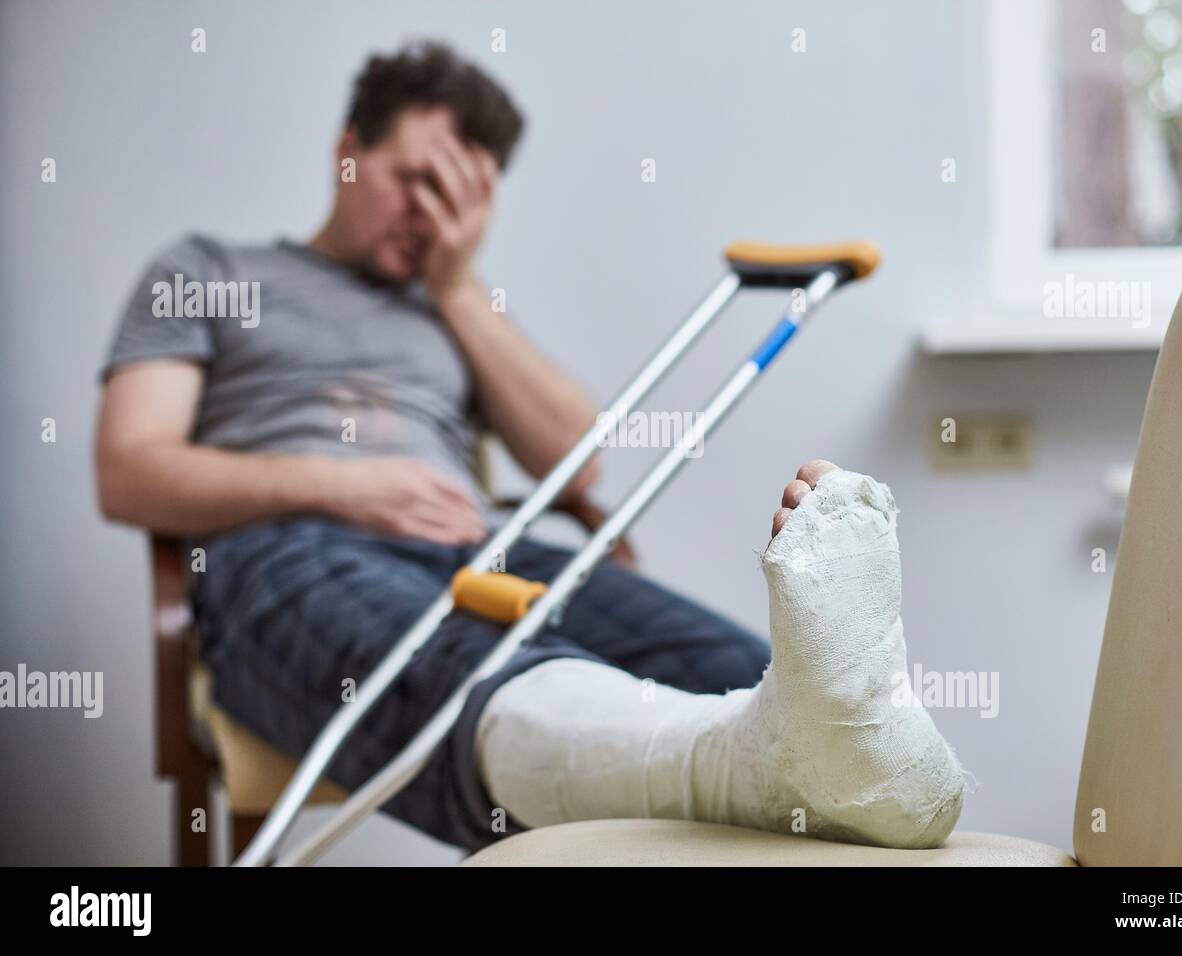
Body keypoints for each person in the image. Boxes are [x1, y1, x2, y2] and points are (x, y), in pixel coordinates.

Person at [96, 41, 965, 854]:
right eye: (412, 181)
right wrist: (344, 487)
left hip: (486, 551)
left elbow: (578, 462)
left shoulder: (449, 304)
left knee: (738, 674)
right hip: (293, 554)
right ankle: (721, 763)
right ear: (347, 151)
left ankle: (820, 746)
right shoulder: (207, 269)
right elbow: (128, 469)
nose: (430, 216)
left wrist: (457, 284)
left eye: (459, 201)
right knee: (467, 670)